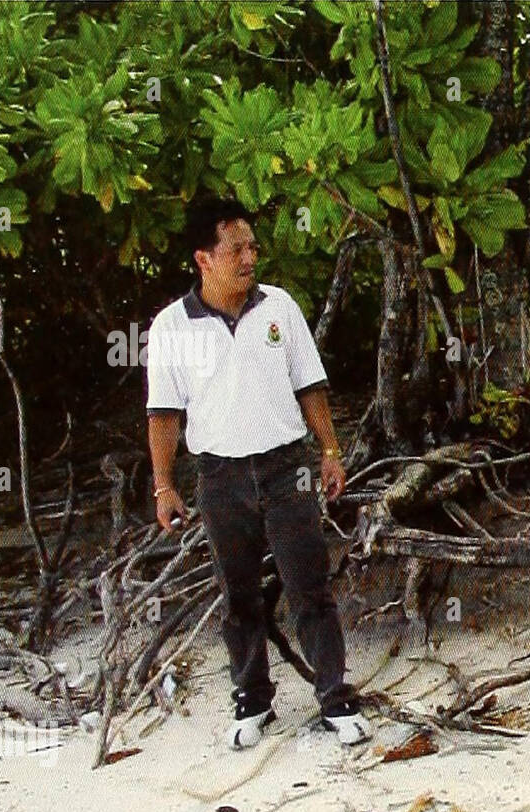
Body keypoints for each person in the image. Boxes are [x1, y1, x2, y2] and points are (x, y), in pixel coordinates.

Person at [145, 197, 371, 749]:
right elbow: (163, 414)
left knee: (308, 585)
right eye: (237, 248)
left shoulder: (280, 308)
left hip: (285, 468)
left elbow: (309, 386)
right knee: (237, 592)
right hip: (218, 476)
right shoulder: (172, 327)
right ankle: (252, 699)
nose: (251, 257)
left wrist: (331, 450)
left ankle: (335, 697)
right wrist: (164, 486)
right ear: (204, 257)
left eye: (253, 247)